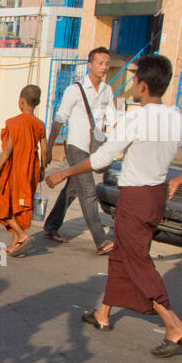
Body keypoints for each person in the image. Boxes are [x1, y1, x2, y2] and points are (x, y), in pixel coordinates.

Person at [46, 54, 182, 356]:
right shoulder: (176, 117)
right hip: (156, 196)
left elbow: (102, 159)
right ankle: (103, 314)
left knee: (137, 260)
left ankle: (173, 324)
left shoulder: (136, 118)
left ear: (144, 85)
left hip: (136, 197)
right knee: (123, 253)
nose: (132, 84)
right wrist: (179, 179)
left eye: (135, 79)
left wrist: (64, 172)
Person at [44, 46, 117, 254]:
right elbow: (59, 119)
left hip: (95, 149)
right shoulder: (74, 89)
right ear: (90, 64)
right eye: (100, 63)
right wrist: (49, 148)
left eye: (107, 63)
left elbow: (113, 121)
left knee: (73, 188)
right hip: (76, 146)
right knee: (88, 191)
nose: (104, 67)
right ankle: (101, 241)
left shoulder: (107, 90)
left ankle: (51, 226)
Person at [0, 84, 45, 257]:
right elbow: (45, 150)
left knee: (4, 206)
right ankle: (16, 244)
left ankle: (22, 235)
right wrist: (42, 168)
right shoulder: (39, 124)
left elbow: (8, 150)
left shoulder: (15, 123)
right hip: (32, 171)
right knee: (19, 207)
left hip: (16, 171)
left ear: (21, 102)